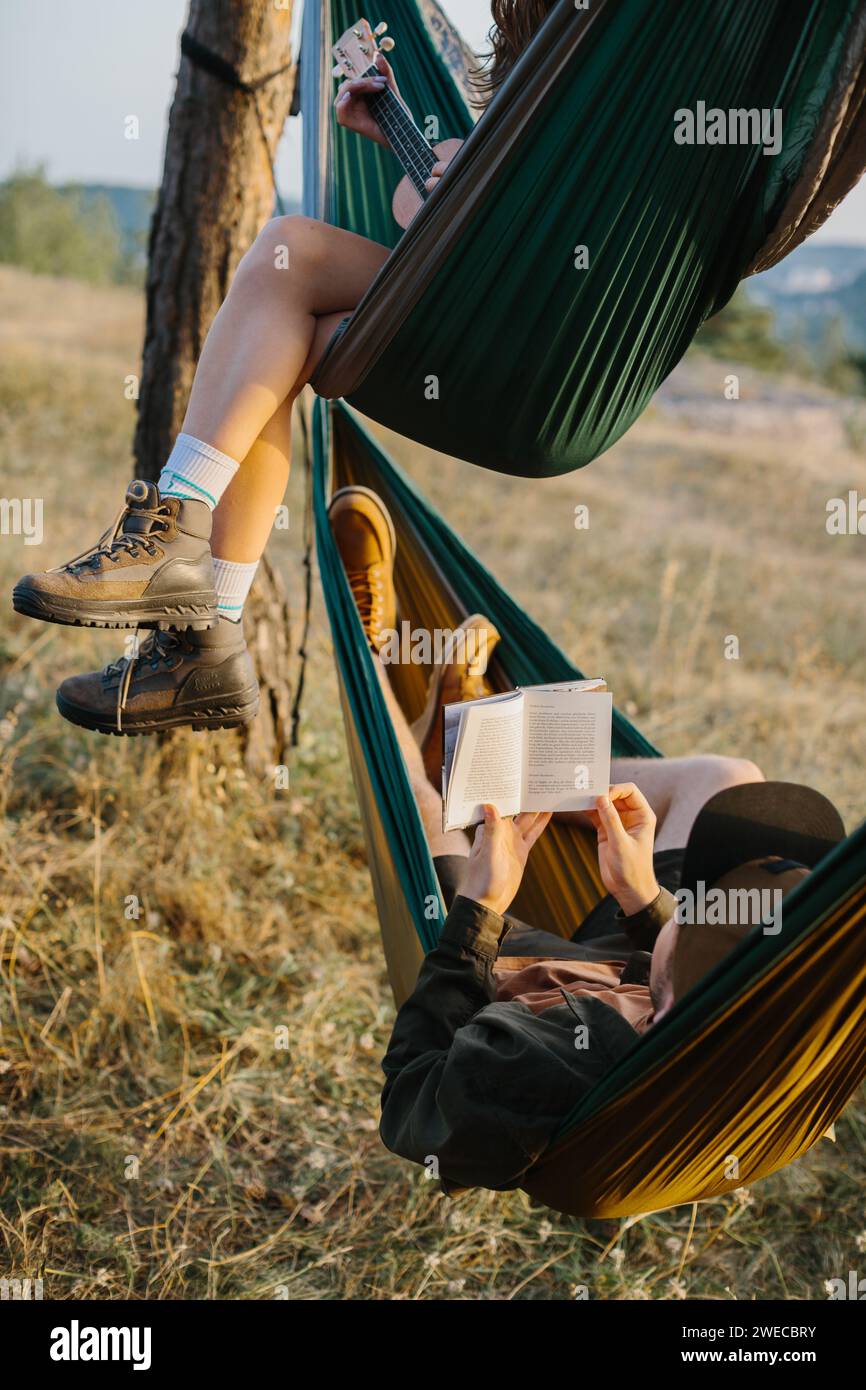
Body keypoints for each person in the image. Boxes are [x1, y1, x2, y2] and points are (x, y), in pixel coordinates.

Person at [10, 2, 559, 736]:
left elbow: (555, 217)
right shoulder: (524, 75)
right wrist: (391, 132)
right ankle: (209, 644)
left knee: (287, 250)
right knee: (277, 343)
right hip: (471, 317)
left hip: (536, 331)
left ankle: (171, 531)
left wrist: (486, 177)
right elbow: (459, 214)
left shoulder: (608, 71)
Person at [328, 485, 846, 1196]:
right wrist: (645, 902)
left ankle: (376, 661)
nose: (691, 893)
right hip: (629, 975)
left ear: (672, 990)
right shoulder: (764, 1029)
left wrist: (479, 909)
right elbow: (688, 986)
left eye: (694, 906)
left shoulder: (527, 1064)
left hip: (511, 973)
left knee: (422, 812)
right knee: (730, 778)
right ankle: (484, 762)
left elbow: (410, 1105)